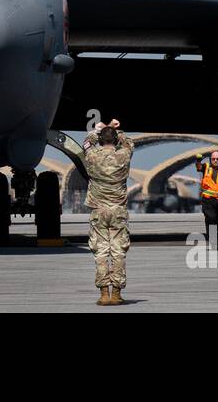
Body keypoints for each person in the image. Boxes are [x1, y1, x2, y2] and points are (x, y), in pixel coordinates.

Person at [83, 118, 133, 306]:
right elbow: (128, 142)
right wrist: (115, 129)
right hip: (118, 210)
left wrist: (99, 130)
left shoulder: (92, 156)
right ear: (115, 139)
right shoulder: (124, 155)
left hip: (98, 210)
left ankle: (104, 293)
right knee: (119, 251)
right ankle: (117, 293)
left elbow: (87, 143)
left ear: (101, 140)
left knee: (101, 251)